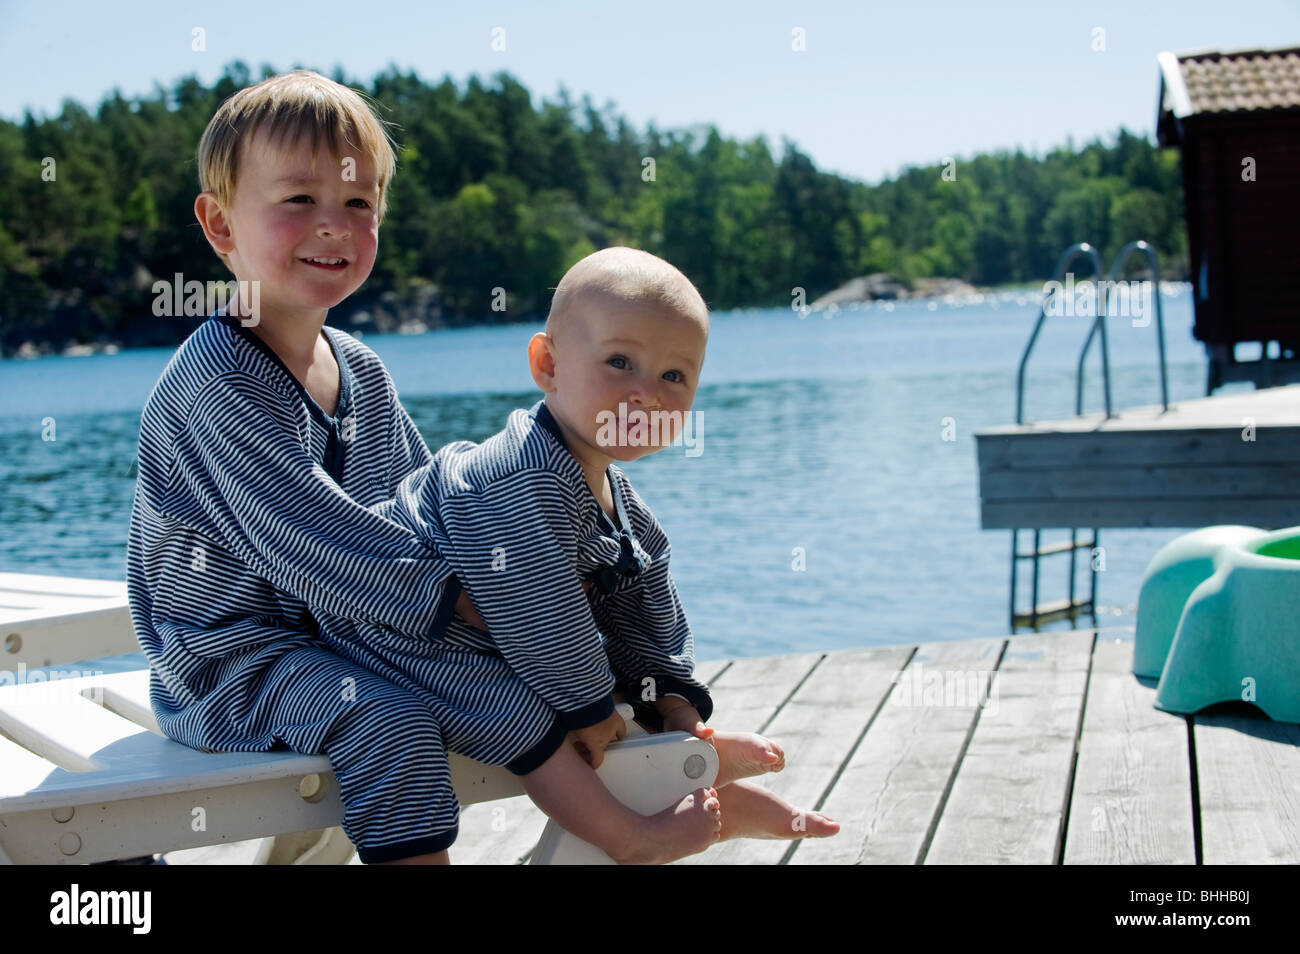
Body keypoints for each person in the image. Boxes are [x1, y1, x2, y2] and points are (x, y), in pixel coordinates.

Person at [314, 246, 841, 852]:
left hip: (486, 634)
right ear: (548, 364)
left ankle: (695, 766)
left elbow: (648, 595)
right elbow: (540, 611)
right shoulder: (521, 477)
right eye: (621, 362)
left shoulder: (615, 495)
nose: (647, 394)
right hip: (389, 633)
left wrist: (672, 697)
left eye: (675, 376)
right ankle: (631, 835)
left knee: (619, 674)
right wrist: (590, 707)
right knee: (527, 713)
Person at [127, 69, 480, 865]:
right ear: (220, 226)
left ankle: (639, 781)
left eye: (358, 204)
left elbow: (423, 506)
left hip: (343, 637)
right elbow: (316, 543)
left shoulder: (360, 368)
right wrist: (461, 600)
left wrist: (509, 555)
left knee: (545, 657)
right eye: (298, 201)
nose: (334, 225)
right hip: (232, 667)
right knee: (387, 722)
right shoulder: (217, 381)